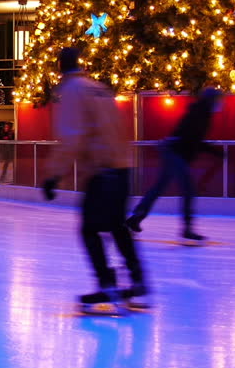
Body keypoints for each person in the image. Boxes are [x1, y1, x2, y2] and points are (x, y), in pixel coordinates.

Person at [41, 45, 147, 312]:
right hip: (121, 168)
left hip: (101, 171)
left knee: (89, 229)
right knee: (117, 226)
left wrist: (55, 175)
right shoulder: (99, 87)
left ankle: (106, 285)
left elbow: (72, 136)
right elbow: (120, 129)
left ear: (60, 67)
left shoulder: (72, 92)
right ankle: (137, 281)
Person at [125, 88, 224, 241]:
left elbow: (193, 139)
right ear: (211, 100)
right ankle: (187, 228)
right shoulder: (200, 114)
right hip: (174, 152)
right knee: (188, 188)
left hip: (174, 152)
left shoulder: (203, 114)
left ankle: (136, 218)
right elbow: (191, 138)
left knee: (160, 187)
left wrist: (211, 150)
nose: (220, 103)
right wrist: (214, 151)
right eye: (218, 100)